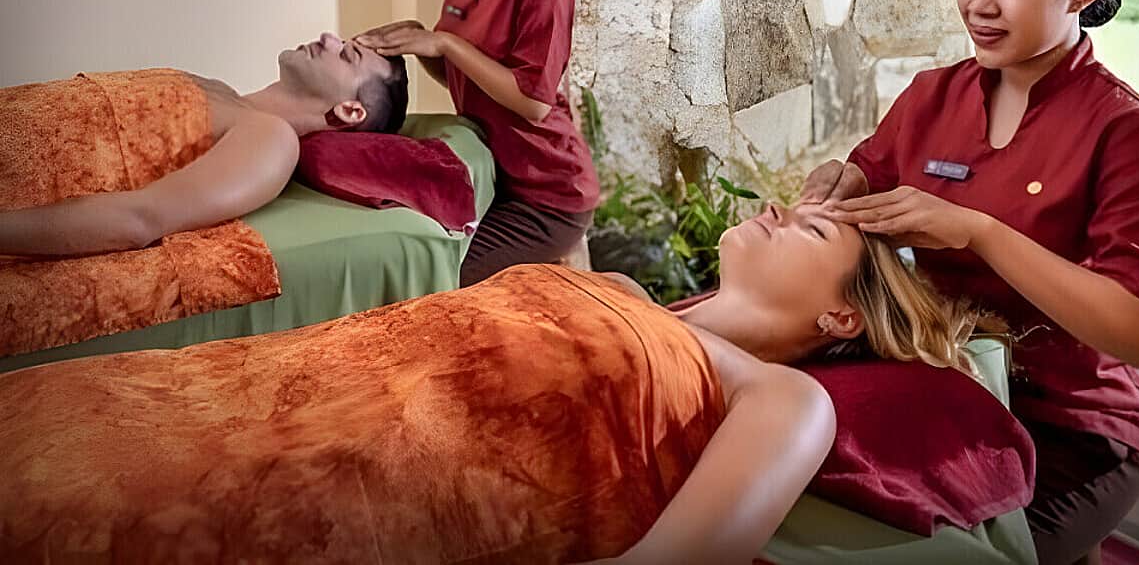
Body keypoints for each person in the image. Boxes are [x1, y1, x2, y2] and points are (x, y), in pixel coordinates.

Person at [0, 202, 978, 564]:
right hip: (226, 388)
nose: (776, 207)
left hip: (296, 486)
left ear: (842, 316)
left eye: (808, 227)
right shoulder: (625, 285)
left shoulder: (780, 396)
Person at [800, 0, 1139, 565]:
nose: (980, 3)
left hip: (1072, 428)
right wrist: (841, 180)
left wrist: (978, 231)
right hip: (955, 391)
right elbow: (869, 168)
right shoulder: (932, 95)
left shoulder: (1127, 130)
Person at [356, 0, 599, 287]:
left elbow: (533, 102)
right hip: (494, 178)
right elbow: (468, 82)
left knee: (444, 279)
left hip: (547, 192)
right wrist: (420, 41)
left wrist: (447, 43)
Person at [0, 33, 407, 257]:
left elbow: (139, 220)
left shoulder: (272, 139)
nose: (329, 37)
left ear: (351, 111)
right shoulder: (222, 92)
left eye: (348, 54)